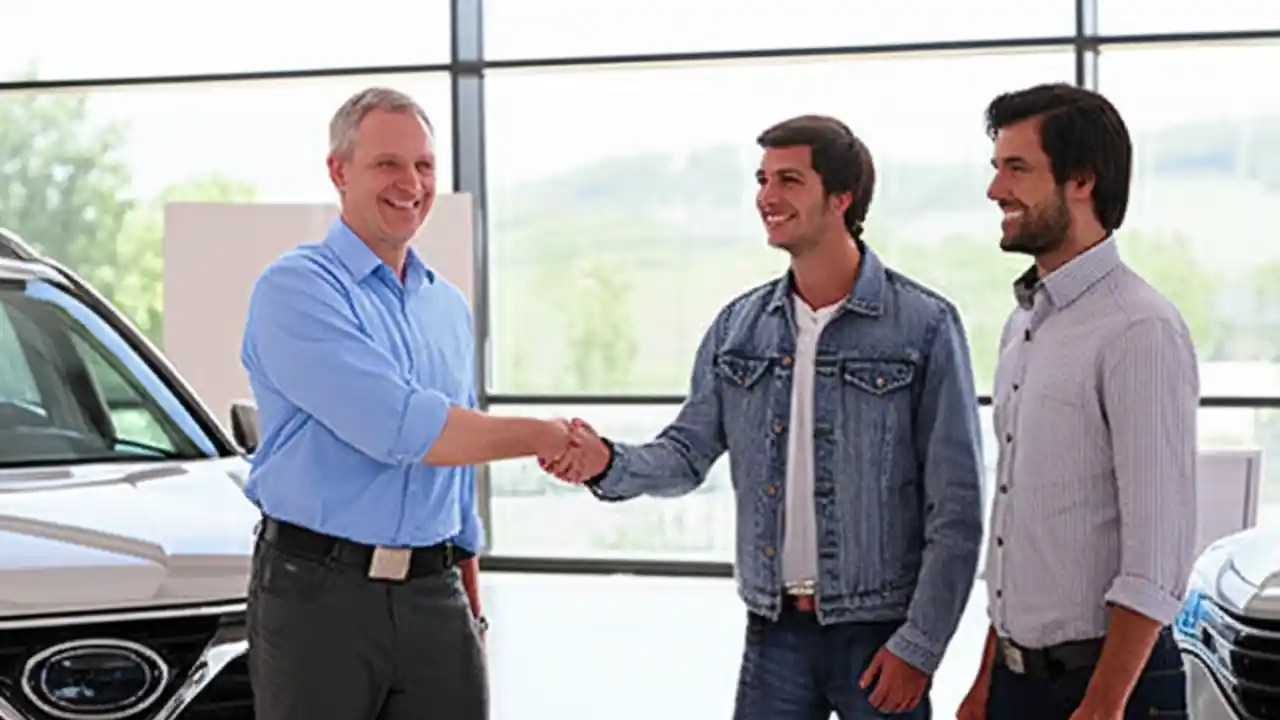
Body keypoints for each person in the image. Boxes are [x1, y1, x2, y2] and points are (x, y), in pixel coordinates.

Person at [545, 115, 985, 719]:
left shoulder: (924, 327)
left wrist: (921, 646)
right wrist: (607, 463)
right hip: (774, 632)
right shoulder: (738, 328)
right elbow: (686, 452)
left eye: (788, 180)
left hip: (881, 633)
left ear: (842, 196)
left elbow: (956, 509)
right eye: (761, 180)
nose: (766, 198)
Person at [239, 86, 573, 720]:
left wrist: (469, 602)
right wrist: (543, 434)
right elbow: (397, 426)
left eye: (423, 165)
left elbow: (456, 468)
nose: (410, 183)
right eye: (387, 164)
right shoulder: (296, 289)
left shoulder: (443, 305)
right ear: (339, 172)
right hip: (319, 597)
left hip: (435, 598)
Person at [956, 83, 1198, 720]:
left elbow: (1157, 550)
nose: (995, 190)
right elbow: (1020, 531)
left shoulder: (1139, 329)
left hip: (1105, 688)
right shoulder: (1024, 326)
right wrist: (987, 680)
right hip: (1016, 682)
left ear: (1081, 181)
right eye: (996, 168)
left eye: (1017, 169)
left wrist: (1103, 705)